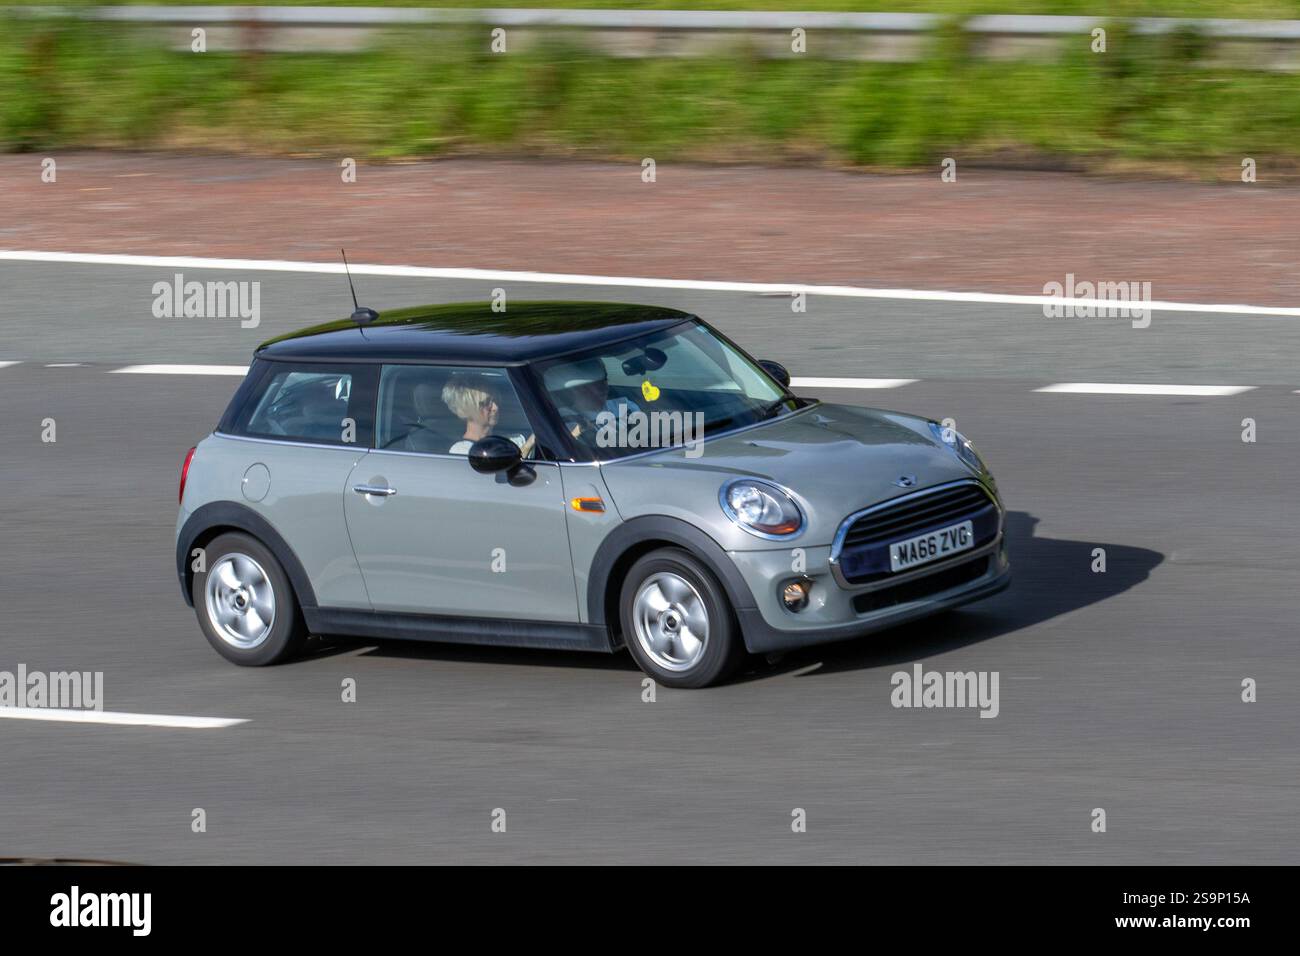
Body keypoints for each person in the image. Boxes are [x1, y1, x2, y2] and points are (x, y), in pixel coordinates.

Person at [543, 358, 641, 445]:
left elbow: (645, 433)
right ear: (578, 388)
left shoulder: (624, 405)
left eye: (605, 380)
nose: (604, 387)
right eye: (596, 384)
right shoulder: (564, 418)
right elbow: (565, 450)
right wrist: (576, 435)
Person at [441, 374, 535, 457]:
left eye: (495, 400)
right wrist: (527, 447)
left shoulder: (515, 439)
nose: (495, 407)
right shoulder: (461, 450)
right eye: (485, 403)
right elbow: (500, 471)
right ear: (463, 411)